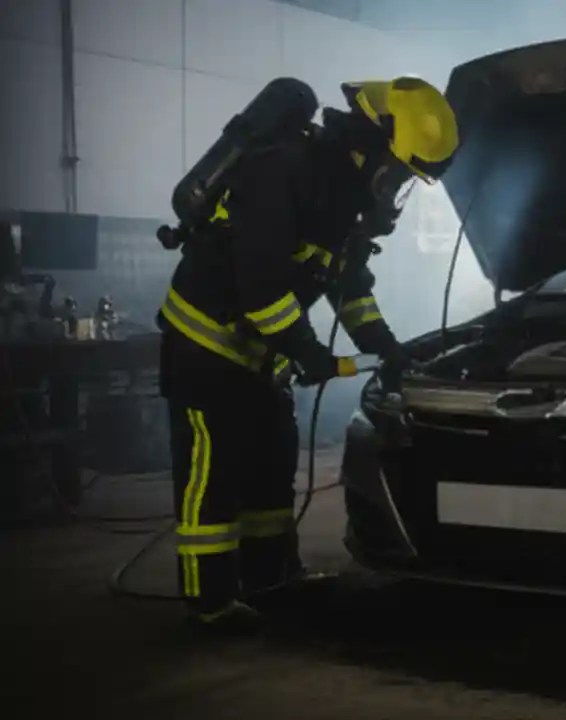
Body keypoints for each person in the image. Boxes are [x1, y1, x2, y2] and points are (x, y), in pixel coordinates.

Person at [156, 77, 458, 635]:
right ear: (373, 147)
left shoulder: (344, 196)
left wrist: (383, 345)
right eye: (399, 173)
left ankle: (272, 582)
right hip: (205, 349)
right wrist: (307, 350)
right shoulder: (284, 170)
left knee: (270, 471)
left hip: (258, 358)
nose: (397, 189)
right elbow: (260, 285)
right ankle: (211, 603)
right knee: (214, 478)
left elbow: (349, 287)